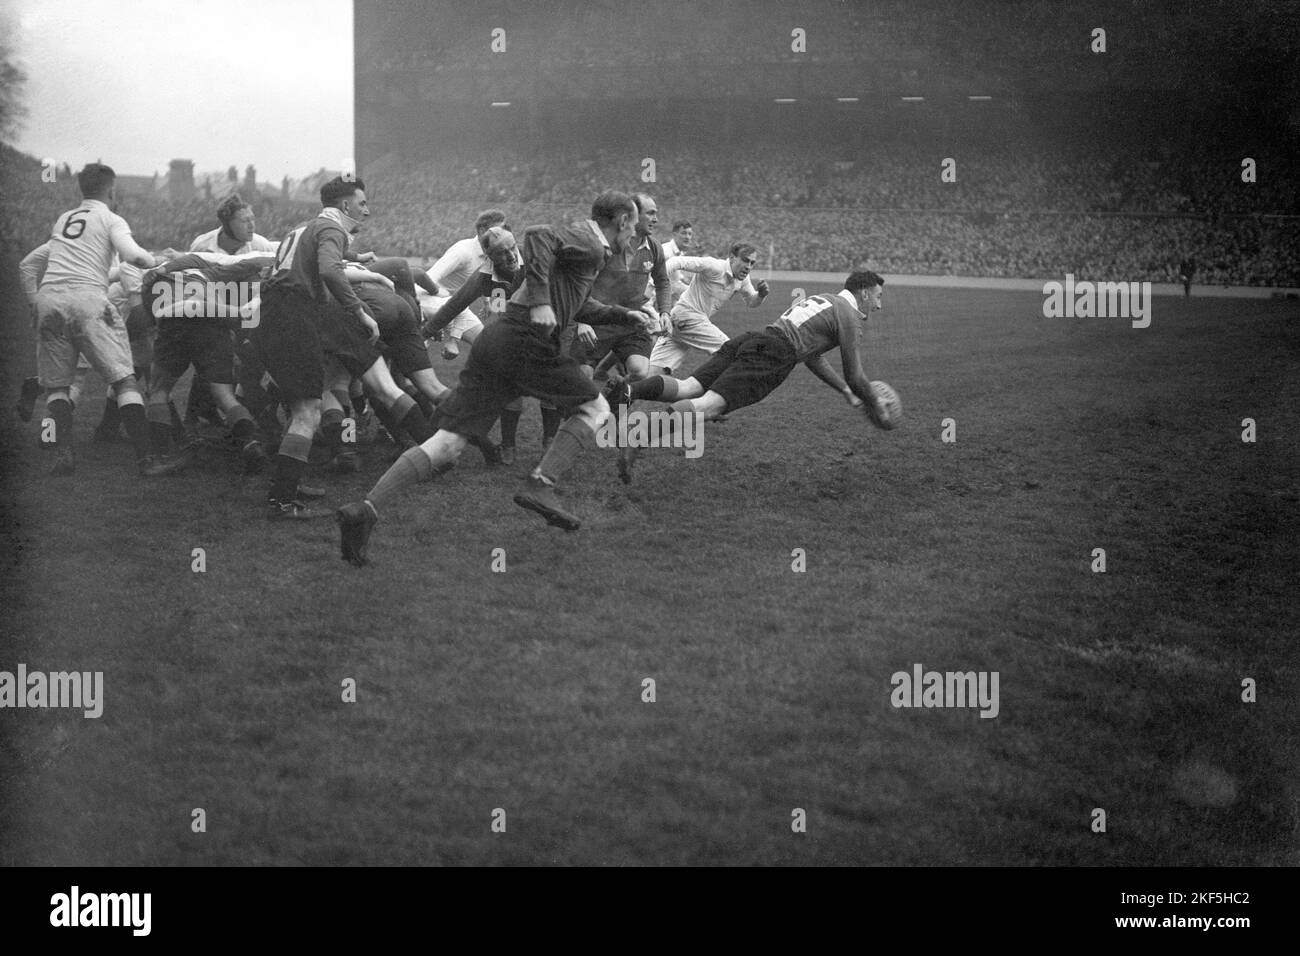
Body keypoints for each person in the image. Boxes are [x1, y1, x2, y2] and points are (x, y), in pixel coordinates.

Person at [336, 190, 654, 565]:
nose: (634, 232)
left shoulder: (586, 250)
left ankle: (365, 509)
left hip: (498, 339)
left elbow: (575, 302)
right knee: (595, 407)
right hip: (526, 340)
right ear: (620, 221)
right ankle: (542, 485)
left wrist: (621, 314)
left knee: (448, 444)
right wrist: (539, 302)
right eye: (633, 223)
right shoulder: (592, 241)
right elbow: (537, 233)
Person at [252, 175, 435, 519]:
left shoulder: (304, 228)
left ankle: (287, 483)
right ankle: (282, 500)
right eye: (362, 204)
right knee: (309, 411)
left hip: (272, 312)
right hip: (297, 313)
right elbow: (329, 270)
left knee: (304, 407)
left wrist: (355, 255)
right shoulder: (333, 230)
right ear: (345, 205)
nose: (367, 211)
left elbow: (316, 257)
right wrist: (358, 312)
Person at [610, 270, 888, 482]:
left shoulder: (826, 301)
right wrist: (876, 407)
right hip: (774, 355)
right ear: (863, 293)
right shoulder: (848, 316)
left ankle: (629, 391)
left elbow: (812, 356)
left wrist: (845, 392)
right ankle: (641, 435)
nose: (878, 305)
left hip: (755, 339)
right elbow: (856, 374)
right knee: (709, 406)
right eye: (877, 297)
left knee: (689, 387)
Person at [30, 163, 166, 476]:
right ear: (111, 189)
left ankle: (63, 454)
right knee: (123, 380)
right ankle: (148, 460)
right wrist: (156, 260)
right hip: (87, 298)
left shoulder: (64, 218)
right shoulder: (111, 218)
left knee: (58, 387)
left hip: (49, 297)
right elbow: (135, 256)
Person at [649, 241, 770, 377]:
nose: (748, 267)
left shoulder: (743, 279)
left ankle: (627, 392)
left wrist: (761, 295)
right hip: (687, 317)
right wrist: (653, 282)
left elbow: (751, 302)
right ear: (732, 257)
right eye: (745, 261)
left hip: (679, 321)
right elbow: (676, 261)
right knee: (729, 350)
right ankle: (709, 390)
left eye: (752, 263)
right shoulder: (714, 266)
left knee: (650, 375)